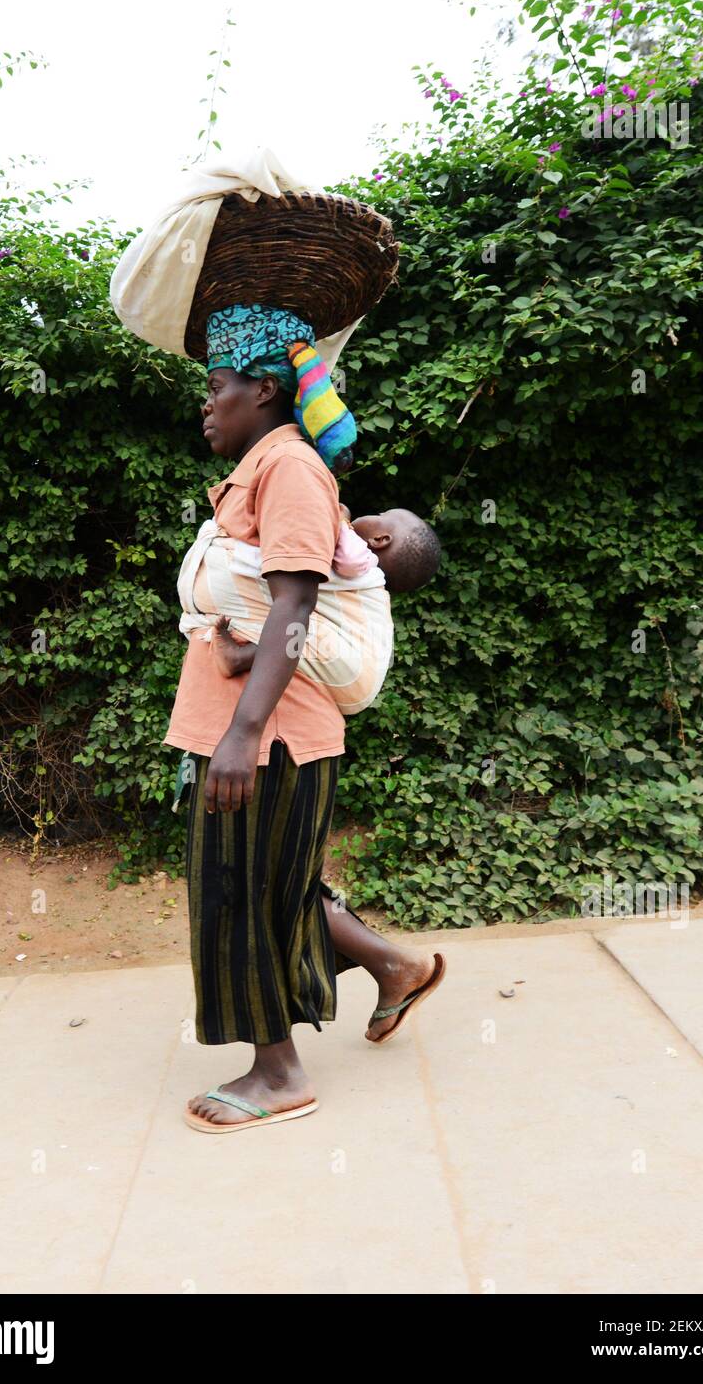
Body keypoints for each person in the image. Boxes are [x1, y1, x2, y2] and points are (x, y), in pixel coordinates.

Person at [163, 303, 447, 1133]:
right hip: (249, 722)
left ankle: (278, 1074)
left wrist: (243, 735)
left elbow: (291, 607)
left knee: (241, 893)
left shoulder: (287, 469)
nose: (207, 403)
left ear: (262, 389)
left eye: (217, 387)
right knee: (270, 886)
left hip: (270, 732)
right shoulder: (265, 468)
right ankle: (395, 968)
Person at [176, 501, 441, 715]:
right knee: (296, 627)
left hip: (354, 669)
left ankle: (242, 657)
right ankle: (243, 655)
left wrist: (341, 515)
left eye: (382, 513)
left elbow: (340, 542)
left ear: (381, 539)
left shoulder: (359, 559)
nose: (373, 512)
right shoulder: (363, 583)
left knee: (294, 624)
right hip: (356, 678)